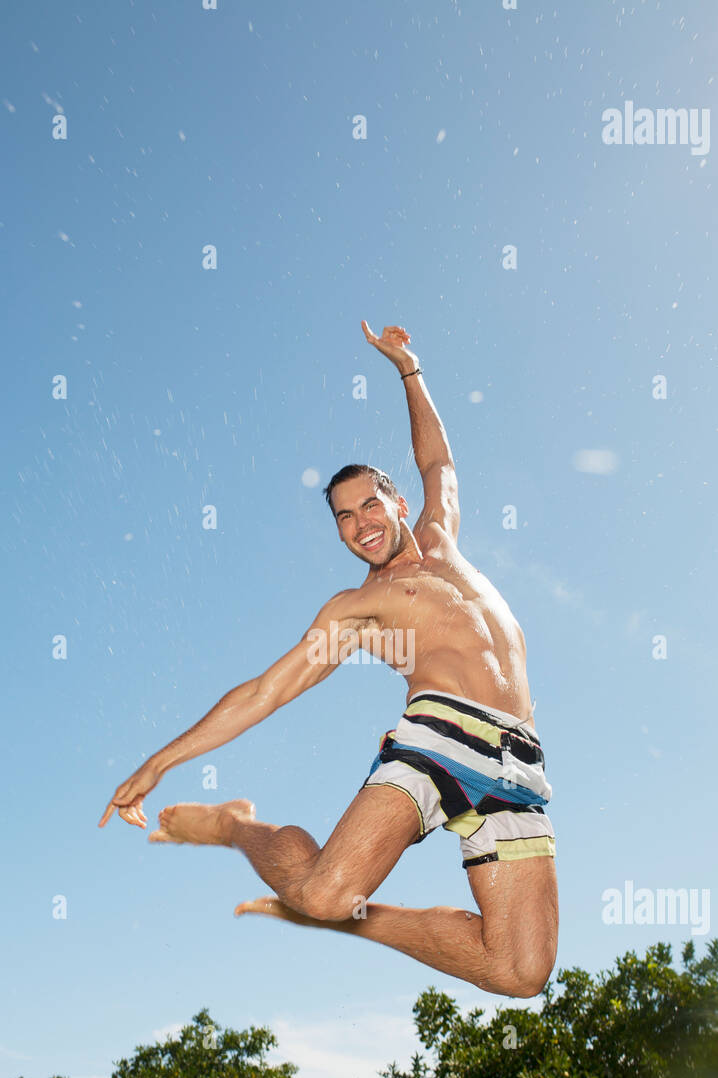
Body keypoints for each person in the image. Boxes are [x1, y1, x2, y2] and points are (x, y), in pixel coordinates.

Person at [99, 322, 558, 996]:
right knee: (322, 892)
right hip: (437, 740)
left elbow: (439, 465)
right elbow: (265, 691)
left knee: (520, 973)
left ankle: (348, 921)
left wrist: (409, 369)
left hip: (518, 762)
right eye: (343, 516)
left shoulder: (441, 537)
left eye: (369, 503)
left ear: (398, 504)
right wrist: (158, 762)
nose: (359, 522)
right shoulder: (355, 608)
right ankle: (235, 825)